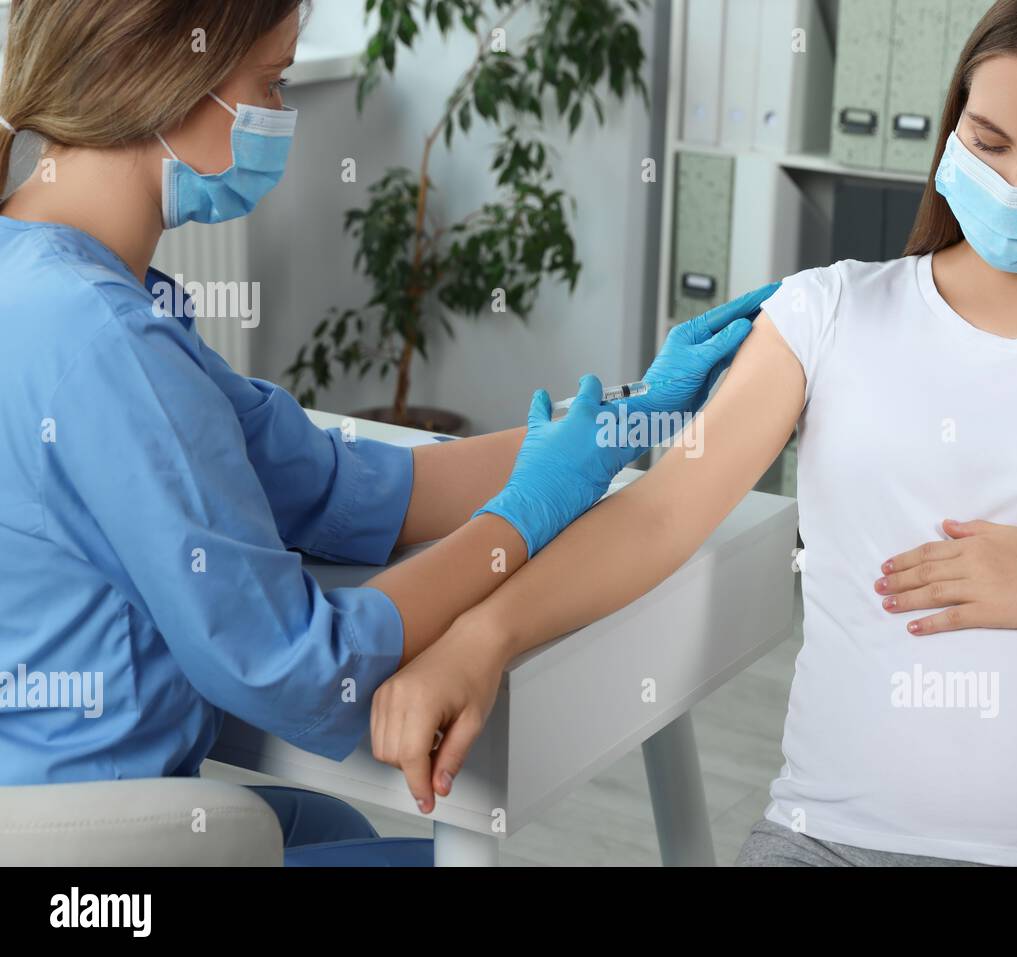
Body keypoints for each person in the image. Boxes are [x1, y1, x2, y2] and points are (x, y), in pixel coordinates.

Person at [372, 0, 1017, 866]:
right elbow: (657, 517)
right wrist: (479, 636)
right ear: (952, 127)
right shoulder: (828, 313)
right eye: (989, 141)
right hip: (832, 846)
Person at [0, 0, 762, 865]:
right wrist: (516, 525)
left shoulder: (64, 285)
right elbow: (304, 668)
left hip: (61, 806)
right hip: (90, 867)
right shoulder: (111, 345)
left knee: (335, 831)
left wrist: (631, 415)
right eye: (272, 84)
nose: (282, 116)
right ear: (169, 81)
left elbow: (326, 482)